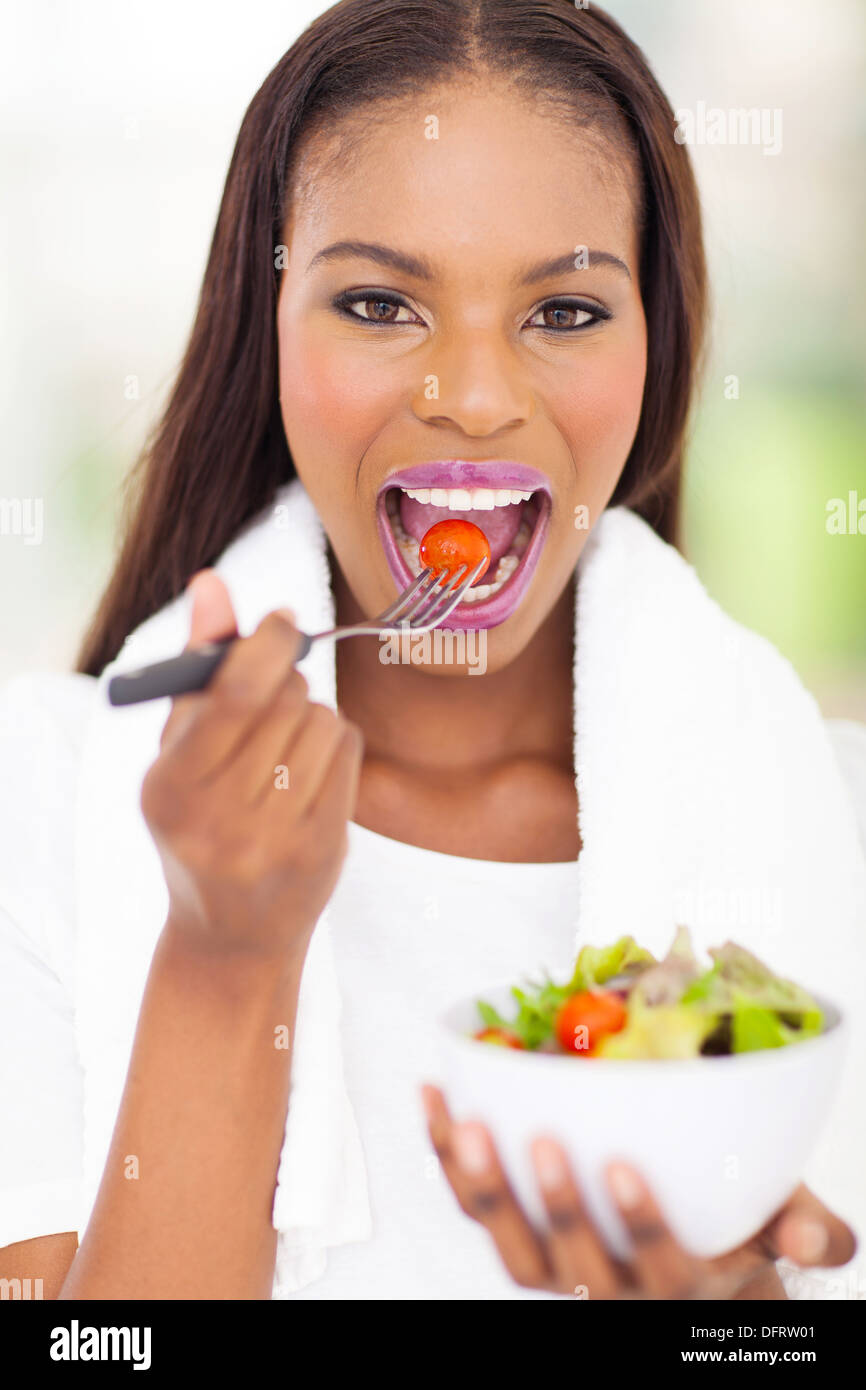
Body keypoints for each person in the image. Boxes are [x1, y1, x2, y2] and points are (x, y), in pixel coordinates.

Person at [1, 0, 863, 1301]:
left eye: (564, 311)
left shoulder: (829, 825)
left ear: (659, 347)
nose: (470, 391)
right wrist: (222, 955)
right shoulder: (44, 806)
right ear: (269, 327)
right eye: (375, 301)